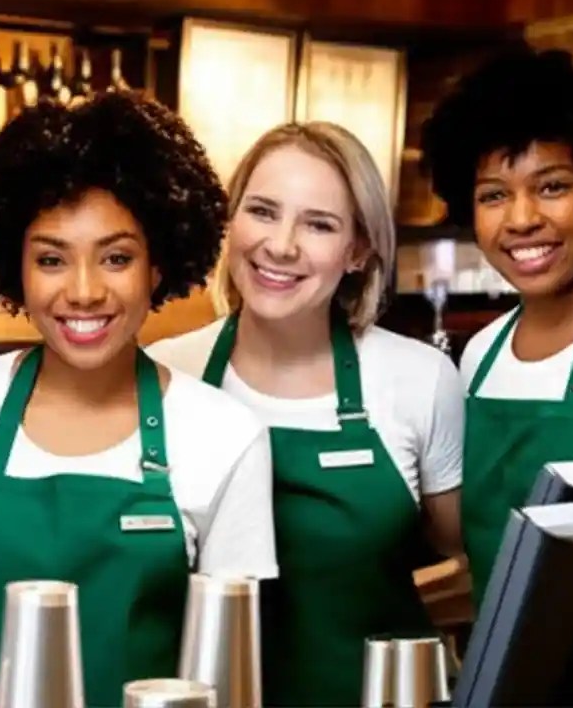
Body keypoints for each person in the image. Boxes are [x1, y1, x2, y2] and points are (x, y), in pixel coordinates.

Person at [0, 92, 278, 707]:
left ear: (157, 265)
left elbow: (227, 662)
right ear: (16, 267)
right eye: (52, 259)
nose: (83, 292)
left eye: (116, 258)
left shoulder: (224, 433)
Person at [149, 121, 464, 706]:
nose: (282, 244)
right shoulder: (165, 375)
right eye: (262, 211)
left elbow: (465, 557)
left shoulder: (417, 380)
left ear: (358, 250)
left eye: (319, 224)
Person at [421, 48, 573, 603]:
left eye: (552, 187)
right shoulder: (480, 355)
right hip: (501, 675)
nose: (521, 220)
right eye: (494, 195)